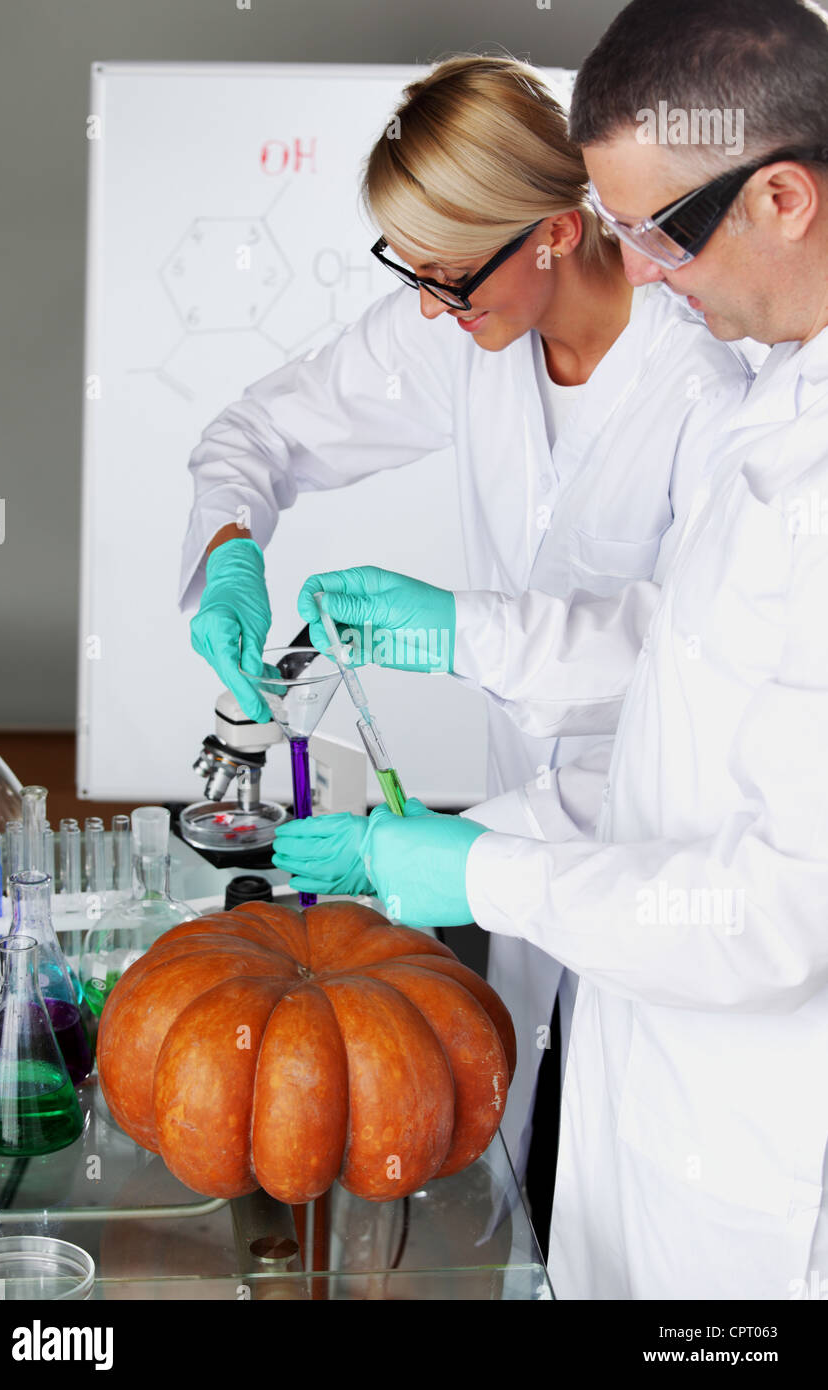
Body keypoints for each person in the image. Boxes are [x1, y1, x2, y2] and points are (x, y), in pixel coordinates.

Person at [276, 0, 828, 1300]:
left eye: (658, 231)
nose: (634, 273)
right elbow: (690, 682)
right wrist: (475, 729)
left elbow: (769, 911)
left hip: (753, 1150)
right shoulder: (783, 393)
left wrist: (493, 872)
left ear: (786, 199)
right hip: (652, 1094)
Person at [180, 54, 751, 1228]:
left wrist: (463, 633)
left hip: (671, 855)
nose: (430, 309)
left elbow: (696, 647)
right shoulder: (462, 329)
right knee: (531, 1162)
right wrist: (231, 547)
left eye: (448, 279)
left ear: (551, 231)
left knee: (643, 1194)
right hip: (514, 842)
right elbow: (260, 431)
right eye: (414, 277)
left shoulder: (708, 380)